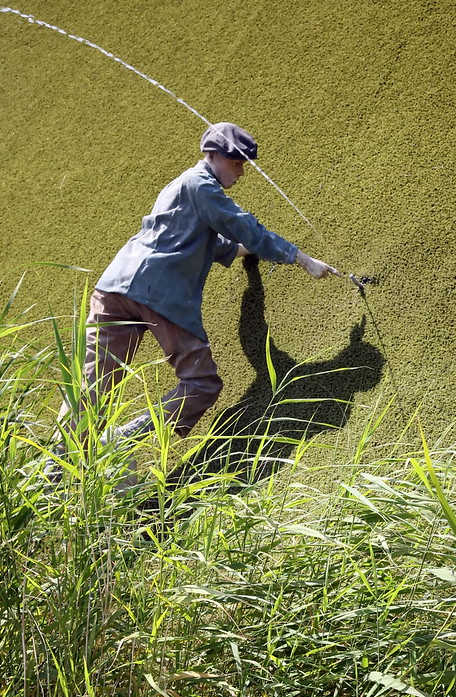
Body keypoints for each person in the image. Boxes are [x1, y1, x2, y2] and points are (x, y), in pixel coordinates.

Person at [48, 122, 339, 477]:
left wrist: (245, 255)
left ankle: (53, 469)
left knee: (93, 385)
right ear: (212, 156)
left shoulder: (181, 186)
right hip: (158, 293)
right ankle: (124, 439)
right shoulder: (203, 186)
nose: (241, 171)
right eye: (236, 163)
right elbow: (244, 226)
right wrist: (303, 259)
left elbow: (205, 241)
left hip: (114, 287)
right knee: (201, 384)